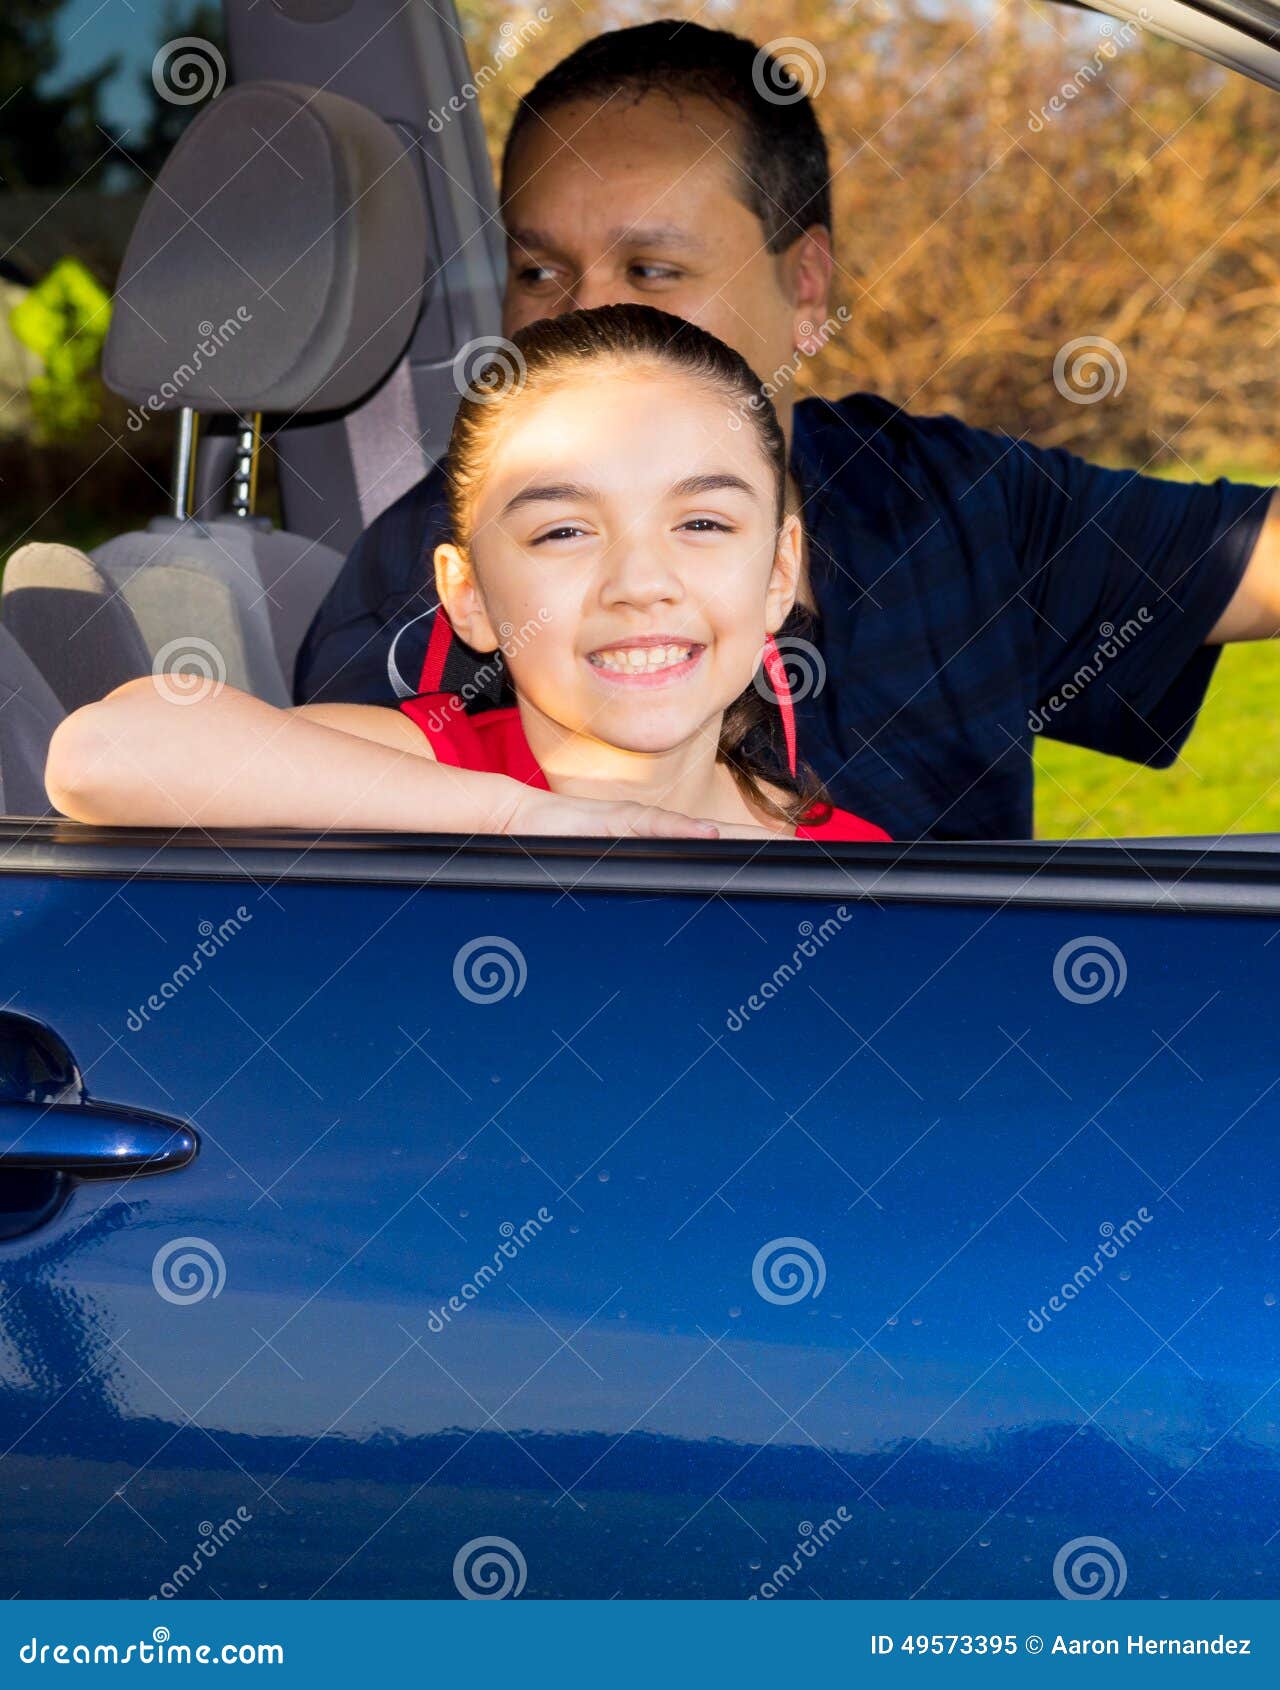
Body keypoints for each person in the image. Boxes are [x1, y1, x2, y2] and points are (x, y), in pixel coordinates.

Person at [294, 19, 1280, 842]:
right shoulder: (460, 568)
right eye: (539, 269)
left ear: (804, 287)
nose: (585, 313)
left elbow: (1250, 559)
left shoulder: (941, 493)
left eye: (650, 270)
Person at [44, 305, 890, 845]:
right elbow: (104, 752)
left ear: (780, 572)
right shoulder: (441, 773)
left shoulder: (857, 864)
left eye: (702, 523)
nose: (640, 582)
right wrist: (517, 820)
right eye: (563, 530)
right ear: (471, 597)